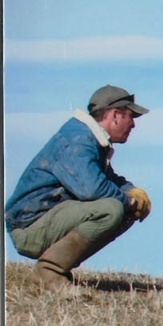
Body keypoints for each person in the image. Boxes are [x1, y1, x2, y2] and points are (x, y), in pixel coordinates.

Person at [6, 85, 153, 286]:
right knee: (111, 208)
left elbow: (107, 178)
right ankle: (49, 271)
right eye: (131, 116)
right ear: (115, 115)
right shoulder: (79, 141)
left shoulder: (89, 138)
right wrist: (129, 200)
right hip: (30, 227)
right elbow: (94, 189)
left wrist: (131, 190)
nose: (133, 125)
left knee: (123, 208)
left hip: (43, 219)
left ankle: (58, 268)